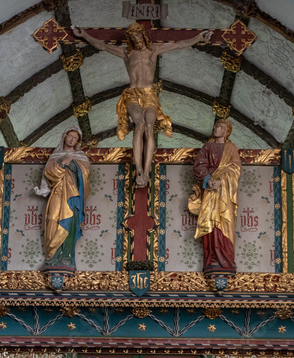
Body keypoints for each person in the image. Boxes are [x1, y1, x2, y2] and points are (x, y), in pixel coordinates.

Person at [71, 23, 212, 187]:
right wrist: (85, 36)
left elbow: (178, 45)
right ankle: (138, 169)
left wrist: (197, 38)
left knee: (149, 126)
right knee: (139, 123)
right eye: (132, 37)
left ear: (142, 36)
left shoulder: (153, 50)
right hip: (132, 93)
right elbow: (103, 46)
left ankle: (146, 172)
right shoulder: (126, 53)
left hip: (150, 94)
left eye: (137, 36)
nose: (135, 39)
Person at [35, 127, 91, 268]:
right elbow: (49, 174)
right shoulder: (55, 156)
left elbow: (85, 175)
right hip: (57, 194)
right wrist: (62, 163)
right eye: (70, 136)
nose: (72, 140)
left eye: (75, 138)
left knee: (70, 222)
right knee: (53, 220)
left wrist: (73, 164)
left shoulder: (80, 157)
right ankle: (53, 256)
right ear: (65, 136)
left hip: (74, 197)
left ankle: (67, 256)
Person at [191, 118, 241, 274]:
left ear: (226, 132)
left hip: (225, 191)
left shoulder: (231, 148)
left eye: (220, 127)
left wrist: (221, 180)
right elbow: (199, 164)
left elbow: (236, 169)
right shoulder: (207, 147)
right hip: (210, 190)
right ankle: (212, 258)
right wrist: (208, 179)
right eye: (216, 126)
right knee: (211, 223)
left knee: (225, 224)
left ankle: (226, 259)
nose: (216, 129)